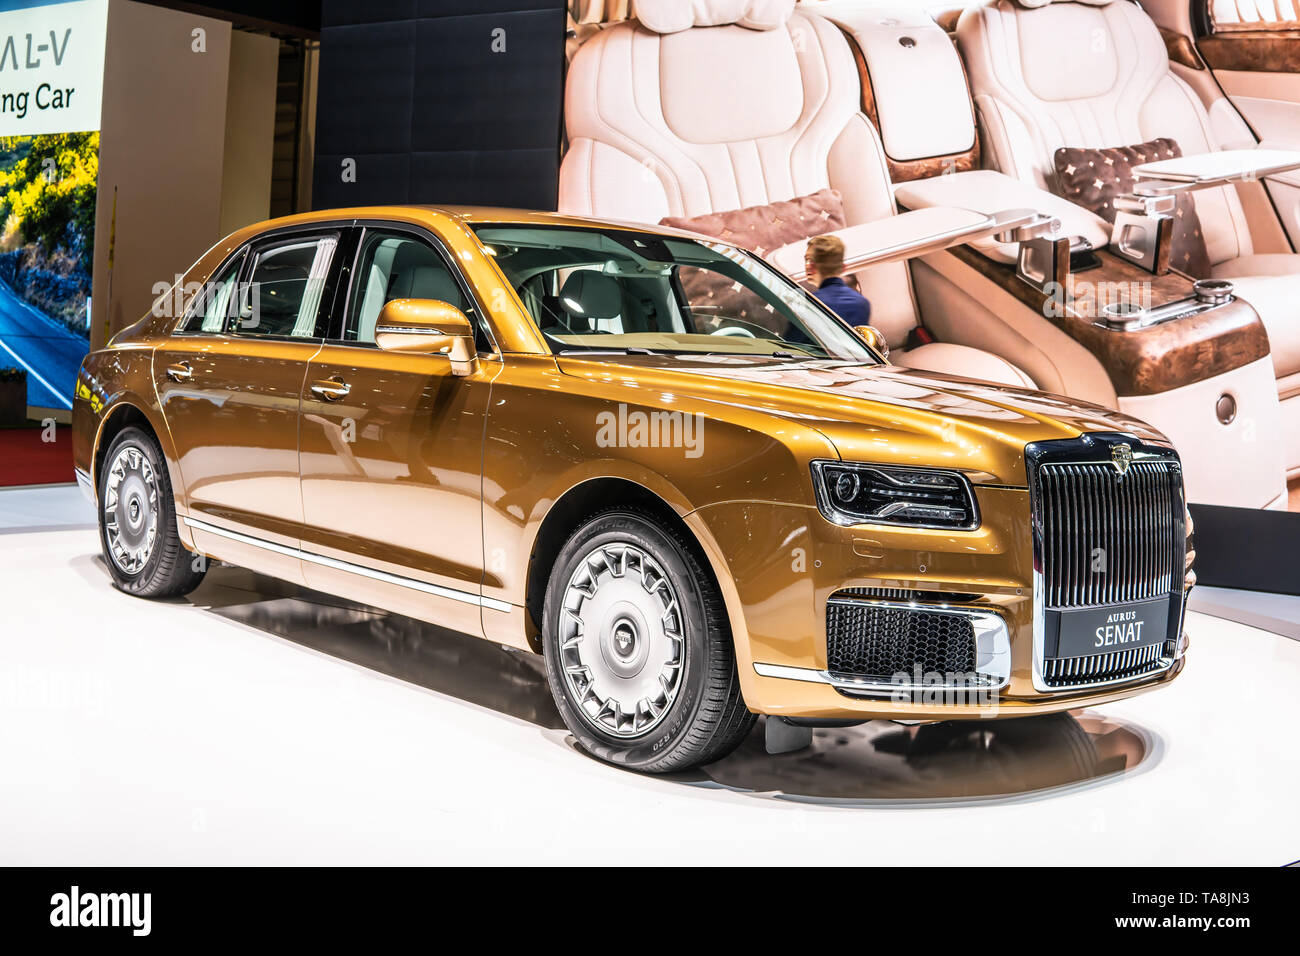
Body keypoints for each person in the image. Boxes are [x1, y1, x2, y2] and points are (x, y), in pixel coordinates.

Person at [805, 235, 870, 328]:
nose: (807, 265)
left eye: (809, 259)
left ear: (812, 265)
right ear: (843, 268)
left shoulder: (810, 304)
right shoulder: (862, 303)